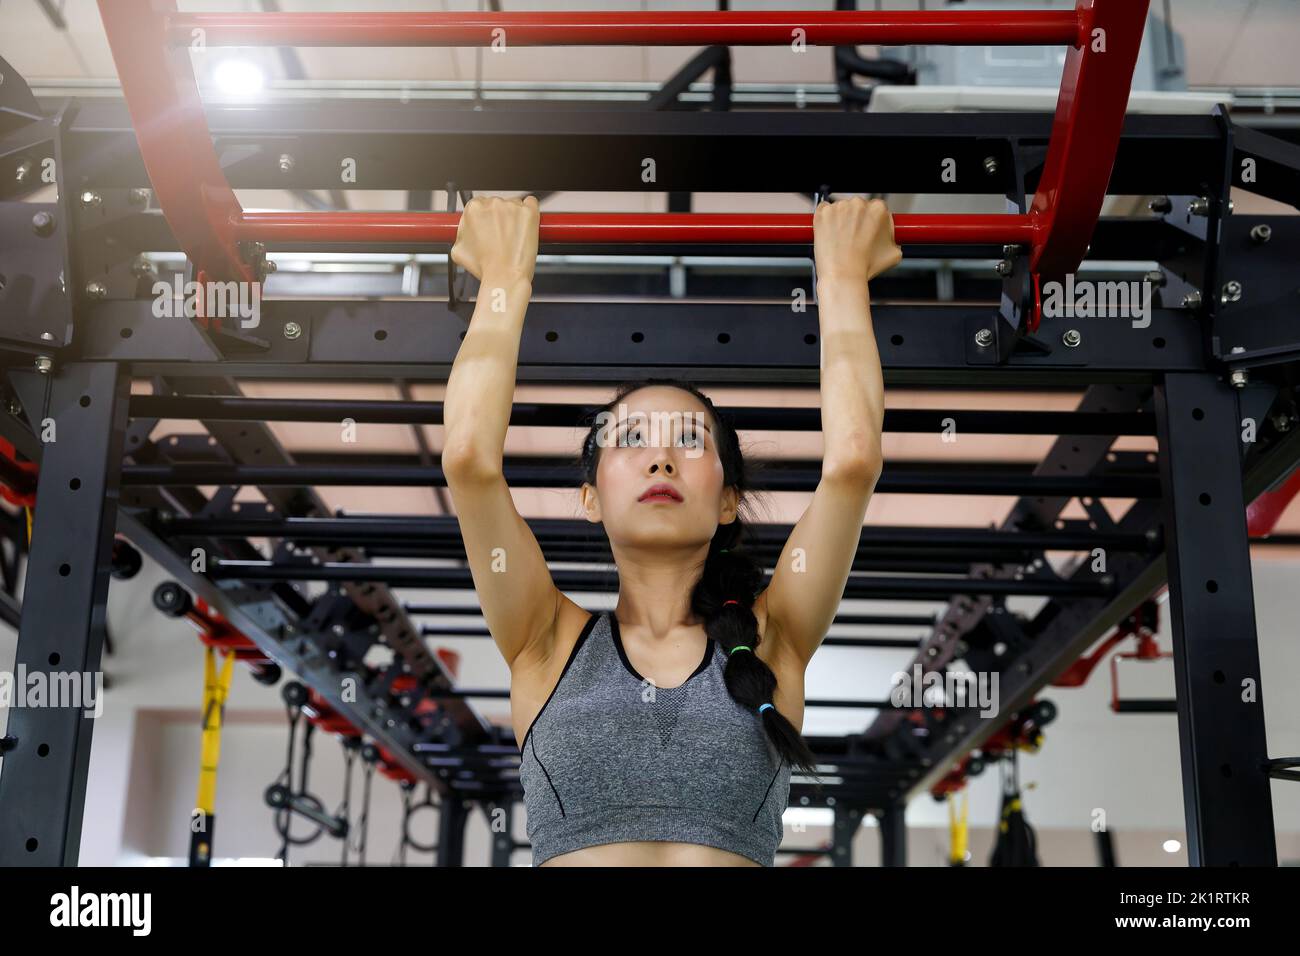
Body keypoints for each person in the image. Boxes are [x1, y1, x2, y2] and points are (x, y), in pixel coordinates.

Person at [442, 193, 902, 866]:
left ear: (726, 502)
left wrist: (839, 277)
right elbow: (467, 460)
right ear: (592, 497)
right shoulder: (544, 637)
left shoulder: (775, 636)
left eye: (689, 441)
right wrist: (505, 277)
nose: (661, 457)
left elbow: (854, 460)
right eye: (631, 440)